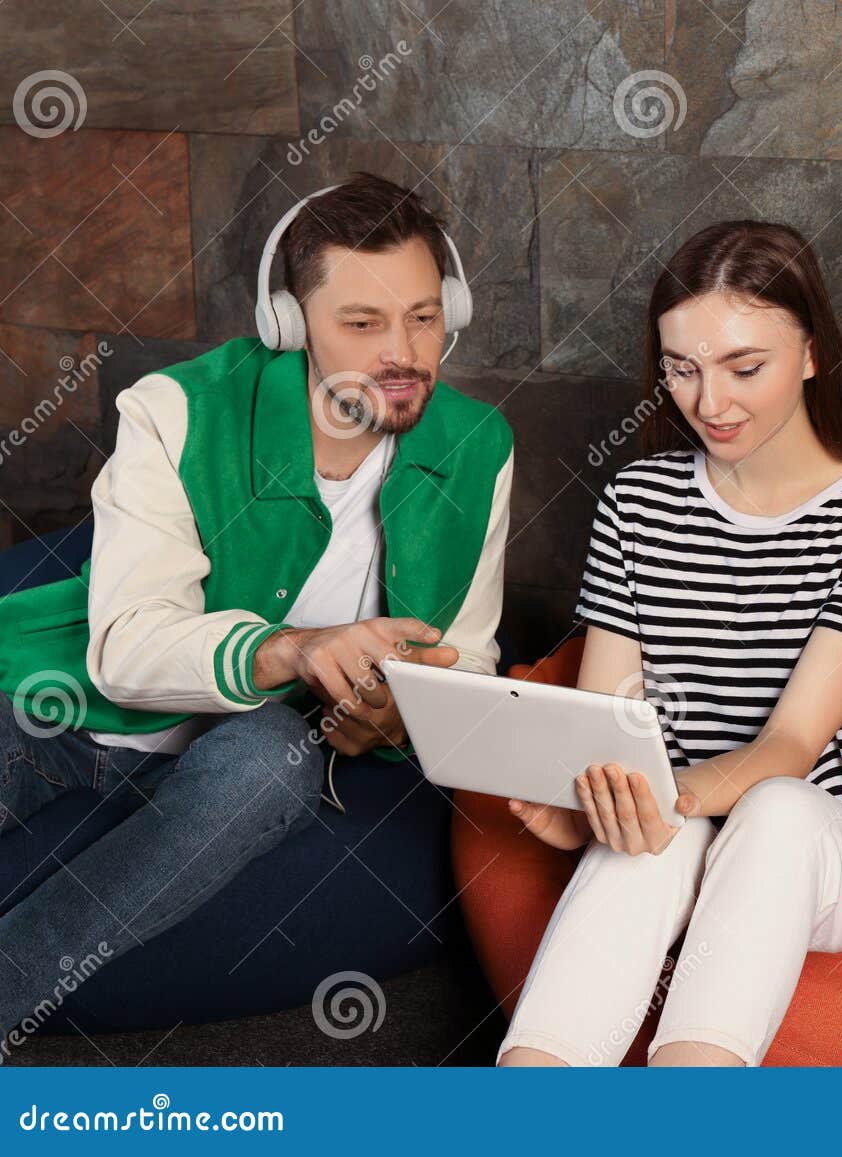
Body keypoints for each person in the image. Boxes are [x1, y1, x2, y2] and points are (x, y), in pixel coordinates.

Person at [0, 173, 512, 1048]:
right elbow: (124, 649)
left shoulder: (476, 447)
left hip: (243, 760)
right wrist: (296, 649)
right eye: (363, 323)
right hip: (62, 712)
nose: (403, 351)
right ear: (289, 323)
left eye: (424, 317)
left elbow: (468, 662)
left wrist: (390, 716)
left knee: (274, 757)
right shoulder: (176, 409)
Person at [497, 219, 842, 1067]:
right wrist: (590, 804)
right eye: (681, 370)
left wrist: (654, 798)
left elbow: (790, 746)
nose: (710, 403)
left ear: (811, 354)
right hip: (692, 824)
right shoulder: (637, 500)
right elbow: (607, 723)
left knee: (766, 812)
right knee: (648, 846)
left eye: (745, 367)